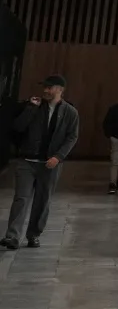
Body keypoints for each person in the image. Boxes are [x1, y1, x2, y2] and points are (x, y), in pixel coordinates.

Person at [4, 75, 79, 250]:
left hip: (50, 163)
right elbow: (18, 127)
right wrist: (30, 108)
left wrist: (58, 157)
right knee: (21, 198)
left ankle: (33, 235)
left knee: (42, 200)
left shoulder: (70, 112)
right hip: (27, 160)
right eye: (44, 87)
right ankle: (12, 236)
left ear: (60, 90)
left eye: (49, 87)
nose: (45, 90)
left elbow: (72, 137)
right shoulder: (33, 106)